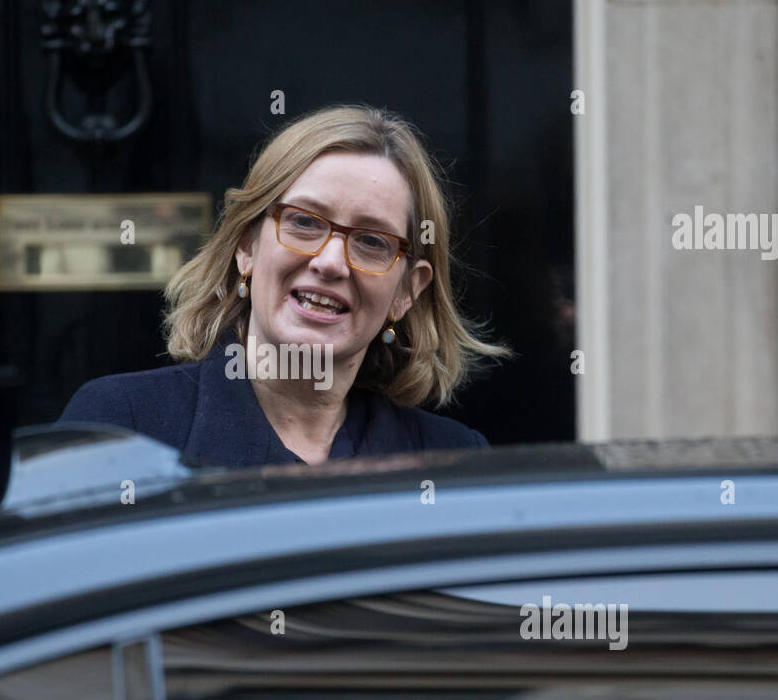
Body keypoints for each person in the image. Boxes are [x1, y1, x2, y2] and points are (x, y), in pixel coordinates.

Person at [58, 104, 510, 469]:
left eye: (372, 241)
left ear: (406, 292)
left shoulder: (454, 464)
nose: (331, 262)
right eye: (304, 222)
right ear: (246, 245)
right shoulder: (122, 425)